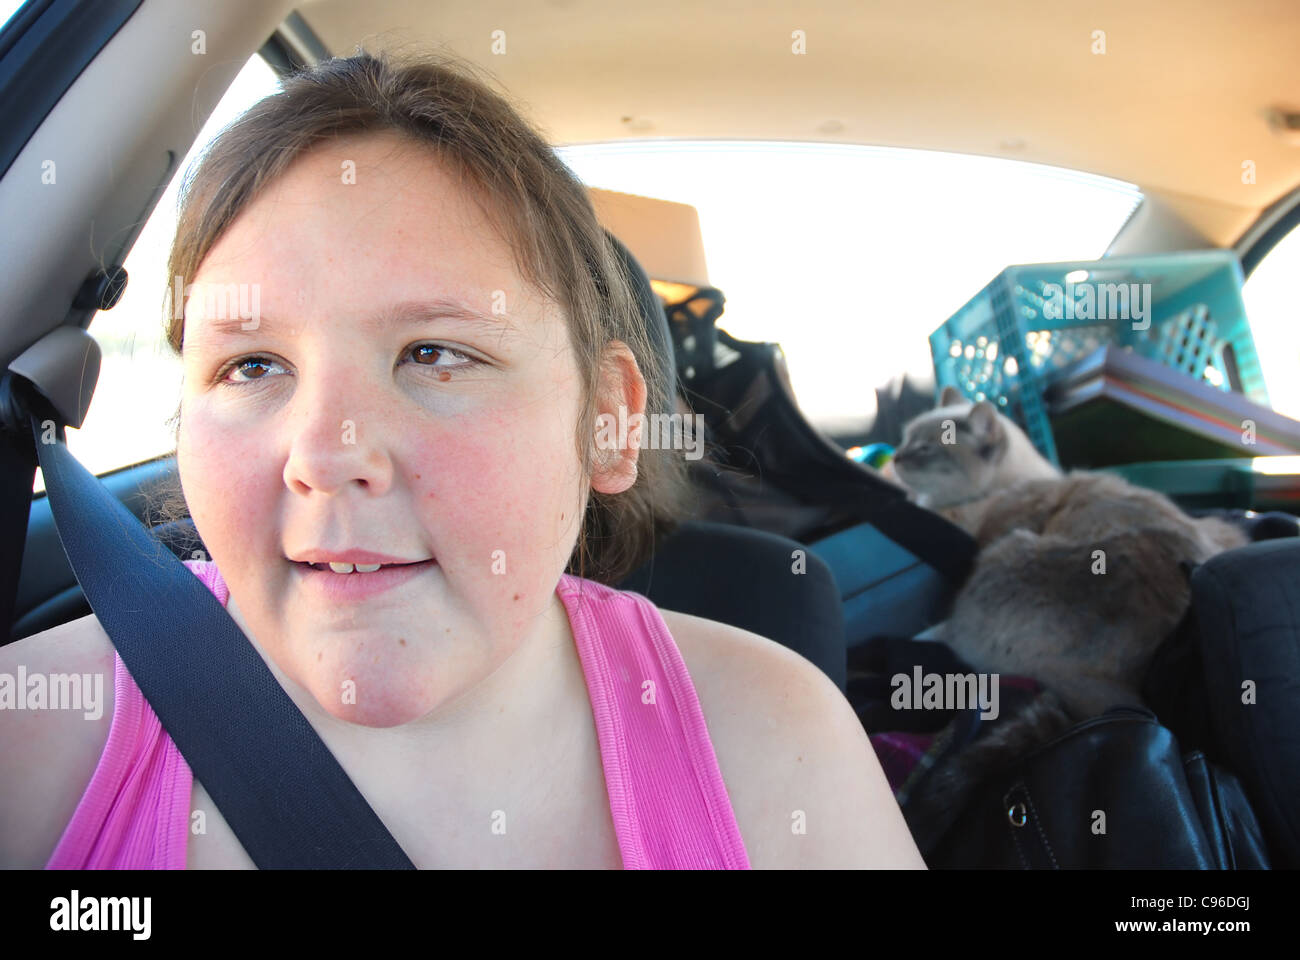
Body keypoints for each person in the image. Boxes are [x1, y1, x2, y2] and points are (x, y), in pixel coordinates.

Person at [1, 51, 924, 869]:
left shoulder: (775, 742)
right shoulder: (33, 733)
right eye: (253, 365)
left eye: (435, 353)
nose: (325, 456)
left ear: (607, 421)